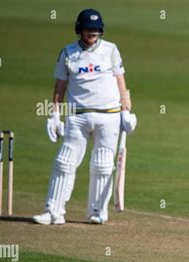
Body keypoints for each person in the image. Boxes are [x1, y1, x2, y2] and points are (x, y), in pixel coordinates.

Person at [33, 9, 137, 225]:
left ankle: (97, 212)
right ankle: (53, 212)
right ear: (79, 30)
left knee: (102, 165)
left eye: (96, 30)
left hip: (108, 116)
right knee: (64, 162)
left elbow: (121, 83)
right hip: (77, 116)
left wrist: (126, 111)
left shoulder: (111, 50)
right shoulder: (68, 53)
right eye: (89, 29)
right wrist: (54, 115)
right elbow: (60, 86)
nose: (93, 33)